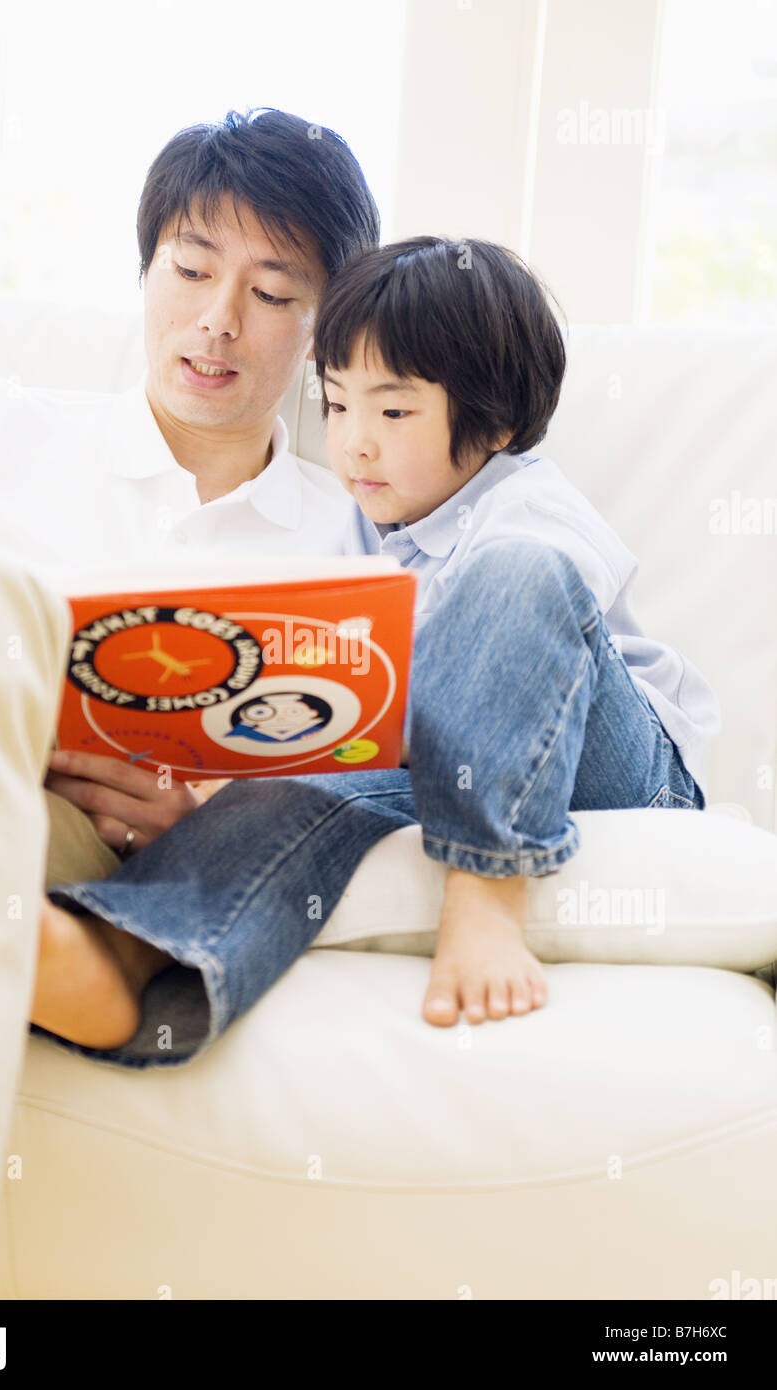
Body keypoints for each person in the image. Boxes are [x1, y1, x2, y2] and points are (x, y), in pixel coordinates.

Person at [0, 108, 379, 1298]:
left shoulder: (351, 532)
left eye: (273, 290)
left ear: (326, 326)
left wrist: (212, 803)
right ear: (147, 271)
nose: (217, 318)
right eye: (191, 269)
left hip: (150, 862)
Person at [37, 236, 720, 1065]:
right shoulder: (360, 527)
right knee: (292, 793)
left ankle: (487, 890)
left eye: (393, 413)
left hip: (612, 772)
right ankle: (125, 955)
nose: (355, 442)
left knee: (512, 580)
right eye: (336, 405)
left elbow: (535, 631)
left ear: (496, 422)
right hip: (432, 769)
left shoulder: (527, 507)